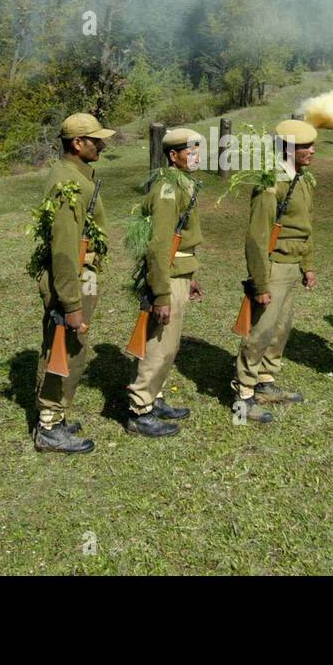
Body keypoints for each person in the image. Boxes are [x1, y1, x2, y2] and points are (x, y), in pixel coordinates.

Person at [33, 113, 115, 454]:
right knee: (63, 348)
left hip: (85, 275)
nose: (102, 144)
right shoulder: (68, 183)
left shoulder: (78, 175)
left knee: (75, 347)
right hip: (74, 278)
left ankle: (58, 414)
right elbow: (64, 250)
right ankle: (49, 425)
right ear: (77, 143)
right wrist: (70, 303)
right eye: (95, 140)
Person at [232, 119, 318, 421]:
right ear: (287, 149)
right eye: (305, 146)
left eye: (311, 145)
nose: (312, 150)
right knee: (260, 331)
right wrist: (260, 283)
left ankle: (266, 381)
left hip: (292, 265)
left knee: (280, 329)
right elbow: (256, 238)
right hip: (274, 267)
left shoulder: (302, 179)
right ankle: (244, 393)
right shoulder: (271, 183)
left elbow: (304, 227)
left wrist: (307, 265)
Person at [126, 128, 203, 437]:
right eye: (191, 151)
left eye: (199, 150)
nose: (197, 157)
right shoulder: (167, 189)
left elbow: (179, 240)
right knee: (159, 344)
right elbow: (159, 244)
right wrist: (160, 294)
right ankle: (139, 409)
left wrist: (191, 275)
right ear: (173, 155)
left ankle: (154, 397)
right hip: (167, 276)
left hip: (178, 271)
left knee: (169, 344)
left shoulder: (182, 183)